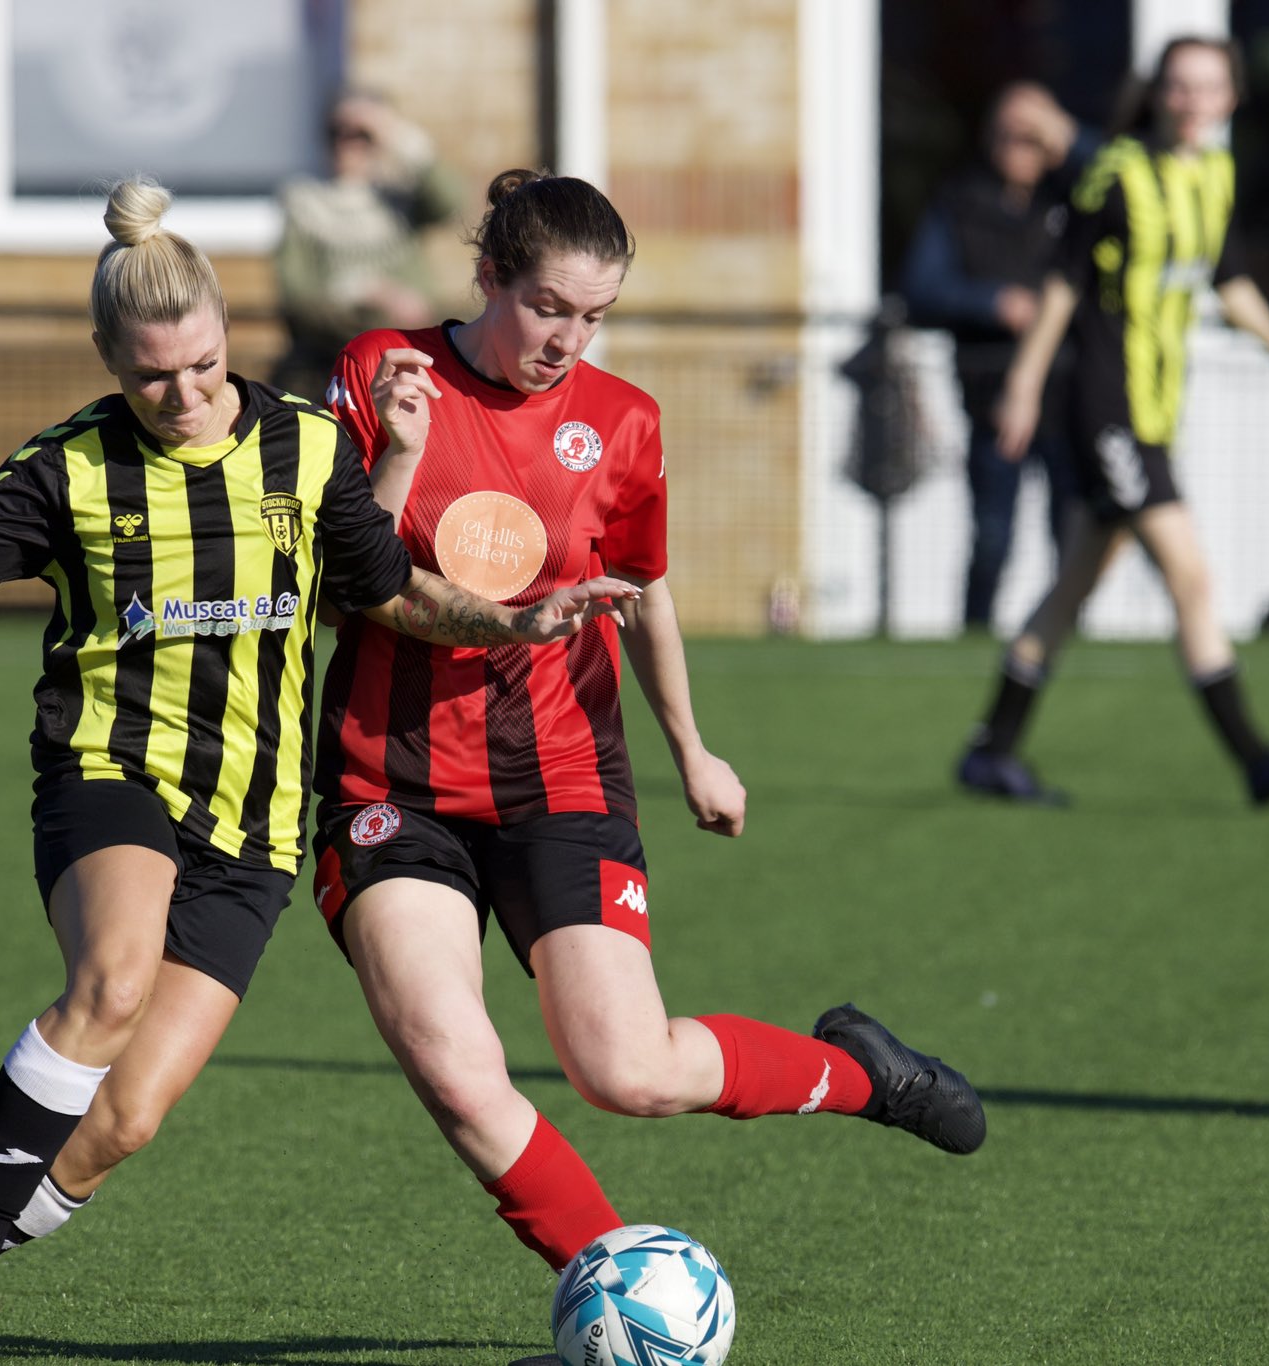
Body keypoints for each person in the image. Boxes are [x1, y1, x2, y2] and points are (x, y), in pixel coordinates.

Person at [0, 177, 634, 1366]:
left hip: (256, 825)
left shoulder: (300, 444)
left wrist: (520, 621)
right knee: (114, 979)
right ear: (105, 358)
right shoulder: (67, 471)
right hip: (111, 779)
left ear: (225, 332)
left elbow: (387, 591)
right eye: (149, 376)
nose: (183, 395)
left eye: (199, 364)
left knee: (121, 1118)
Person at [305, 169, 987, 1279]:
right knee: (450, 1060)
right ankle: (616, 1287)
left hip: (560, 772)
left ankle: (864, 1075)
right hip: (391, 783)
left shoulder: (621, 424)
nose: (568, 339)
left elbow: (642, 590)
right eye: (547, 307)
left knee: (627, 1072)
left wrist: (692, 749)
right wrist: (396, 453)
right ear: (487, 277)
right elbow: (346, 585)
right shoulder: (382, 373)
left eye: (594, 317)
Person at [957, 36, 1269, 808]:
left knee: (1075, 585)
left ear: (1230, 99)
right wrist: (1025, 385)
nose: (1194, 103)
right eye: (1180, 88)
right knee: (1192, 577)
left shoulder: (1216, 174)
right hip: (1107, 409)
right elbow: (1060, 285)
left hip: (1156, 410)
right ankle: (1256, 760)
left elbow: (1225, 278)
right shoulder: (1118, 176)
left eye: (1209, 89)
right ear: (1159, 95)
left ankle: (992, 749)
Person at [901, 81, 1092, 631]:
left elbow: (1124, 174)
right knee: (993, 536)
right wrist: (994, 304)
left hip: (1068, 396)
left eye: (1033, 136)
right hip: (992, 397)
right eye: (1010, 133)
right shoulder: (962, 201)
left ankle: (1062, 638)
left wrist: (1067, 138)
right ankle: (975, 637)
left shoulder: (1076, 197)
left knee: (1073, 536)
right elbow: (922, 288)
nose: (1020, 146)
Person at [271, 90, 464, 401]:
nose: (348, 142)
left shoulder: (399, 197)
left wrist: (399, 137)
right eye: (337, 132)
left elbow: (451, 205)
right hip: (334, 366)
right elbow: (296, 298)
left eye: (362, 134)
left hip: (414, 362)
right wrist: (369, 295)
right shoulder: (304, 202)